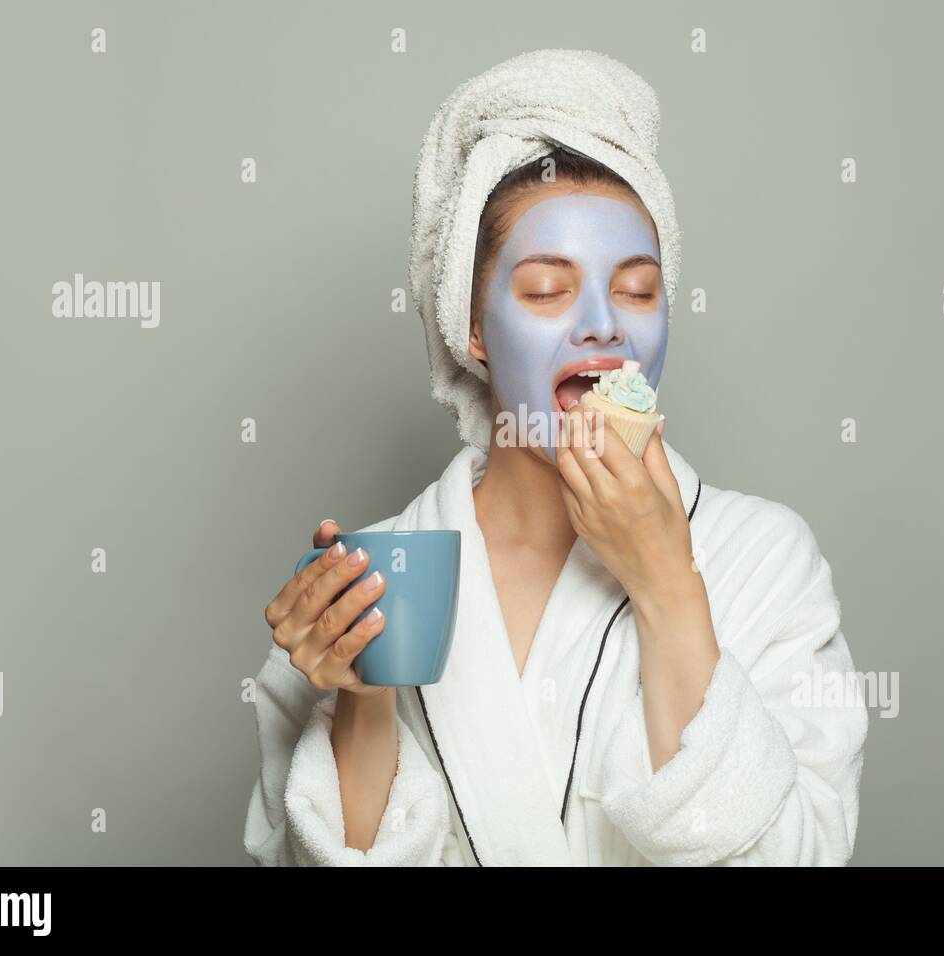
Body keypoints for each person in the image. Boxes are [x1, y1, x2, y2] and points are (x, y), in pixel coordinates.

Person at [244, 50, 867, 867]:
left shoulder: (764, 559)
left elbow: (797, 855)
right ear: (471, 329)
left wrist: (665, 578)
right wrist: (361, 697)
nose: (605, 325)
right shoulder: (372, 579)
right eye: (546, 290)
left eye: (640, 290)